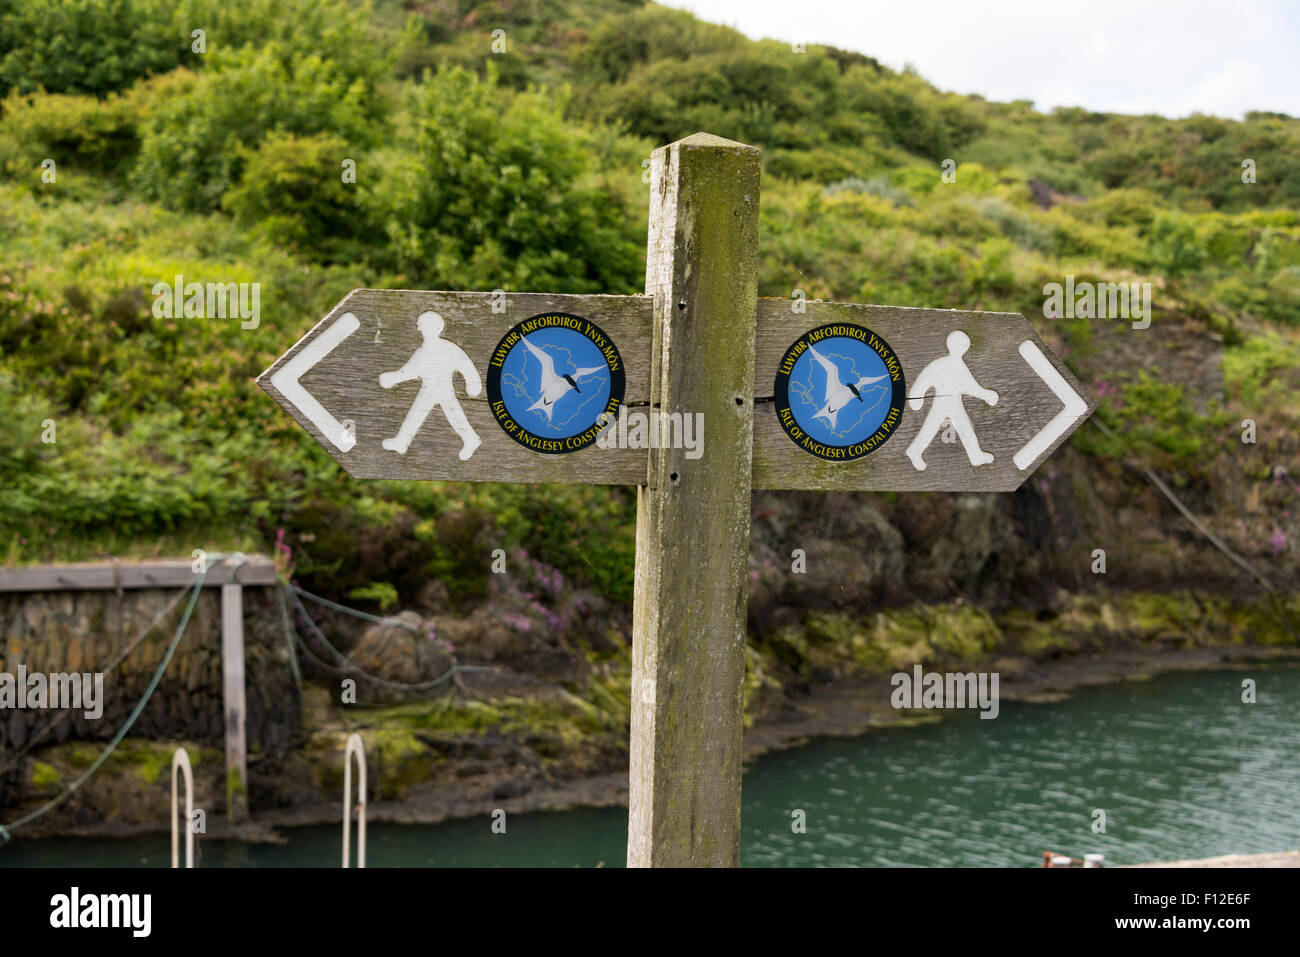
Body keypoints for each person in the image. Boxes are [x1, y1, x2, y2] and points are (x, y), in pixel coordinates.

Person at [379, 311, 482, 461]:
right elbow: (410, 370)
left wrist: (473, 383)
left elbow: (465, 364)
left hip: (441, 386)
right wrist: (393, 378)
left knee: (450, 415)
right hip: (430, 387)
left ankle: (471, 439)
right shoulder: (423, 349)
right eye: (419, 326)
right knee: (420, 414)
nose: (419, 329)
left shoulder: (445, 347)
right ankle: (402, 441)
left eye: (421, 325)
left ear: (433, 326)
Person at [905, 330, 998, 471]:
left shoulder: (955, 365)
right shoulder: (945, 364)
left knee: (960, 426)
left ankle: (975, 455)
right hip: (943, 402)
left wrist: (987, 395)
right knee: (934, 426)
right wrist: (916, 397)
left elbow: (971, 387)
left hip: (953, 402)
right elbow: (925, 379)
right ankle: (914, 451)